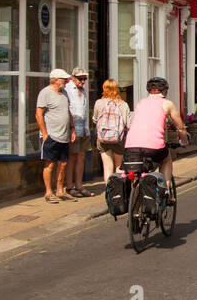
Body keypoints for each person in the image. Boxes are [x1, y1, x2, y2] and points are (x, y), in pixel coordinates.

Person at [123, 77, 186, 192]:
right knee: (166, 160)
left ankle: (136, 196)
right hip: (154, 147)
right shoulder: (167, 104)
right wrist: (184, 140)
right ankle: (165, 191)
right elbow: (180, 126)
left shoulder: (140, 103)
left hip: (130, 146)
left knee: (136, 170)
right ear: (164, 91)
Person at [35, 69, 76, 202]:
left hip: (64, 134)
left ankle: (60, 190)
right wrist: (45, 134)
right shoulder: (45, 93)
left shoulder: (64, 93)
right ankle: (48, 192)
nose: (67, 81)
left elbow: (67, 111)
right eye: (64, 79)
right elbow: (39, 114)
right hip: (51, 135)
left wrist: (72, 128)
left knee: (63, 164)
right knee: (50, 164)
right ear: (56, 80)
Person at [93, 78, 131, 186]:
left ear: (104, 89)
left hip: (103, 139)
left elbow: (95, 119)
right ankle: (120, 191)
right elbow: (128, 125)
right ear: (117, 89)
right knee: (119, 166)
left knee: (107, 166)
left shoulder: (99, 103)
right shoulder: (123, 104)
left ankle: (109, 192)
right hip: (118, 139)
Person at [64, 67, 94, 197]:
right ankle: (70, 186)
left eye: (84, 79)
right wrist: (71, 128)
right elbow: (67, 109)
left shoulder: (83, 90)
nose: (83, 81)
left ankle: (79, 185)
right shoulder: (68, 89)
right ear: (73, 78)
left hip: (83, 128)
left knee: (81, 156)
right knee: (72, 157)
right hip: (73, 128)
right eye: (80, 78)